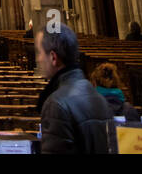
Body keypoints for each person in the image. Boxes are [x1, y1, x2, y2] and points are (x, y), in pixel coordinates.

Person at [35, 26, 117, 154]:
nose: (38, 59)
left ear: (53, 57)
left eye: (39, 52)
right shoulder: (98, 97)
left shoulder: (56, 104)